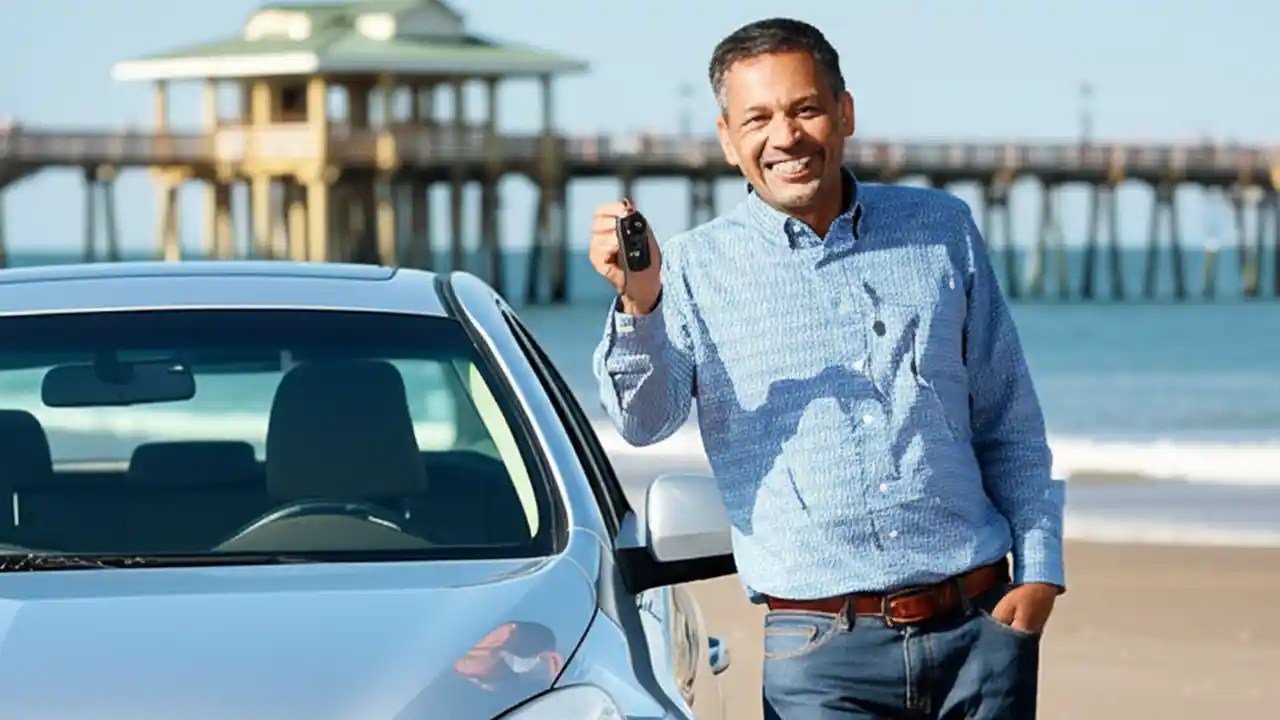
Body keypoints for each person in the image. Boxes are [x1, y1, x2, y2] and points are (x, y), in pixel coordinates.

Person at [588, 16, 1065, 720]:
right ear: (727, 138)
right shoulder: (689, 270)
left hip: (982, 631)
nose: (785, 137)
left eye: (805, 108)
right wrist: (640, 300)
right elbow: (643, 421)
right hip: (820, 658)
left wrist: (1041, 575)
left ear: (843, 113)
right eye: (758, 118)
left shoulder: (941, 228)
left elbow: (1009, 420)